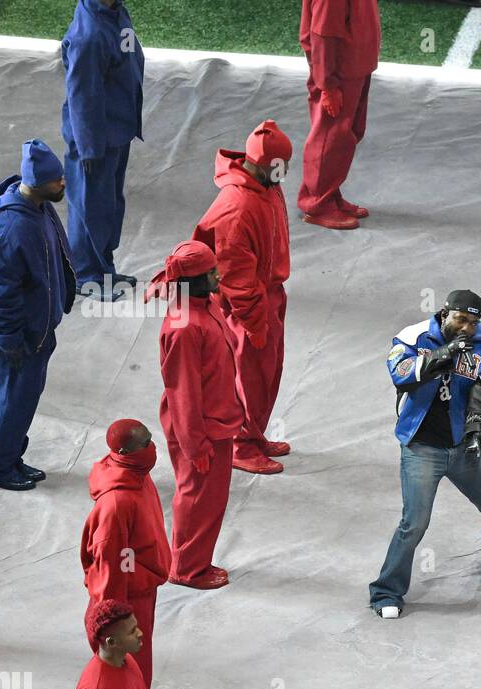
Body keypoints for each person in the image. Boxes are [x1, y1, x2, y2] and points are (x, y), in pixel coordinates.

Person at [369, 291, 481, 619]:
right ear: (444, 314)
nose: (466, 328)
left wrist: (476, 433)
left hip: (460, 448)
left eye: (473, 322)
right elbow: (400, 373)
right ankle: (386, 592)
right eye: (460, 319)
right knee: (414, 524)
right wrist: (444, 353)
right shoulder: (413, 337)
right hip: (421, 449)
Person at [0, 139, 75, 492]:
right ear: (37, 182)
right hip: (18, 338)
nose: (63, 183)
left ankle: (9, 455)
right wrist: (11, 341)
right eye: (56, 180)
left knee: (21, 402)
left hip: (37, 332)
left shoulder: (40, 208)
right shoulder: (13, 229)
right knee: (8, 402)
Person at [192, 121, 293, 476]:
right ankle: (239, 443)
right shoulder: (236, 207)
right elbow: (235, 277)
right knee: (247, 376)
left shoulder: (266, 186)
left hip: (268, 295)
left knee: (267, 372)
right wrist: (254, 322)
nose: (286, 172)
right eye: (282, 165)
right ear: (266, 165)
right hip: (246, 305)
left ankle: (253, 433)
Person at [148, 240, 243, 590]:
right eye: (211, 272)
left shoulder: (206, 305)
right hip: (199, 429)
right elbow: (182, 391)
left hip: (216, 421)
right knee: (197, 497)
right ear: (193, 281)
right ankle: (186, 567)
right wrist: (194, 443)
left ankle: (196, 559)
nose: (219, 274)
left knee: (211, 497)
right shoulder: (185, 327)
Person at [61, 0, 146, 298]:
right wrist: (88, 149)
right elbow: (82, 96)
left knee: (108, 206)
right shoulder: (90, 36)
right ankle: (85, 275)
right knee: (89, 208)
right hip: (95, 142)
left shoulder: (115, 11)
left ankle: (104, 268)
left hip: (117, 131)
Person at [80, 419, 170, 689]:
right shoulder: (117, 504)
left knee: (140, 671)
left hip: (142, 585)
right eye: (146, 444)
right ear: (125, 453)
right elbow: (111, 564)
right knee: (131, 675)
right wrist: (117, 620)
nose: (152, 448)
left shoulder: (137, 472)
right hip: (128, 597)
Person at [298, 0, 381, 230]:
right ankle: (317, 205)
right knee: (329, 139)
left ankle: (329, 194)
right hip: (338, 73)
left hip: (352, 65)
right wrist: (328, 85)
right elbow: (323, 34)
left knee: (344, 137)